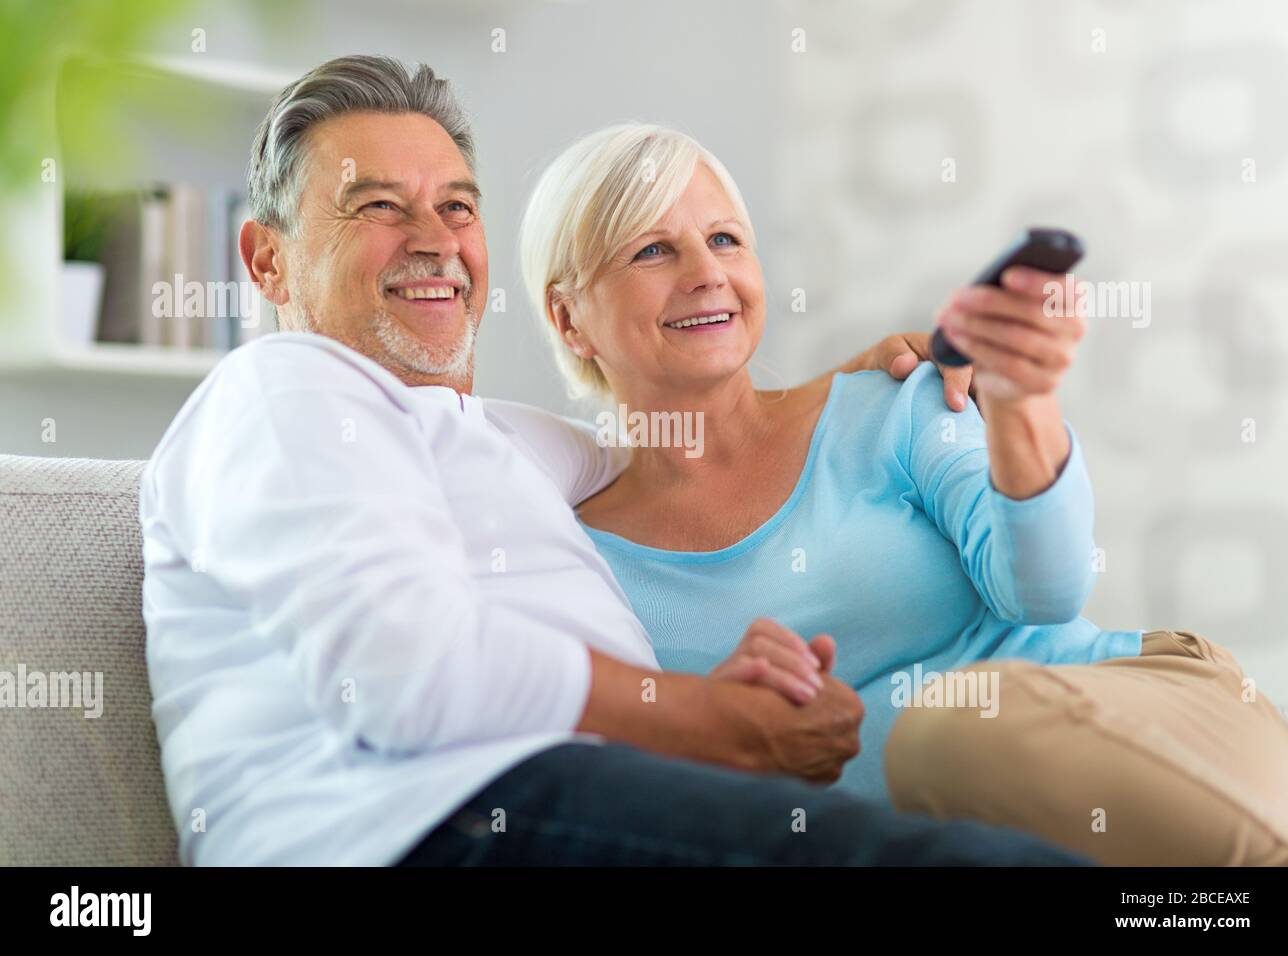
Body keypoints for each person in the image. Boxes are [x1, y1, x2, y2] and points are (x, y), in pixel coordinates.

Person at [140, 54, 1081, 866]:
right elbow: (403, 674)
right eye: (377, 206)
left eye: (456, 206)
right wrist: (707, 720)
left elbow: (695, 430)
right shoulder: (282, 390)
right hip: (409, 831)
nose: (433, 239)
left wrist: (854, 392)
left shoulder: (512, 443)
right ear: (265, 261)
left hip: (583, 801)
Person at [517, 121, 1288, 866]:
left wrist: (1022, 402)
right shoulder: (577, 563)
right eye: (653, 250)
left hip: (1163, 724)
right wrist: (717, 732)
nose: (706, 273)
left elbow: (1048, 591)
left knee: (945, 733)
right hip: (982, 851)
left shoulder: (887, 404)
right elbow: (629, 782)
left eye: (724, 239)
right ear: (568, 318)